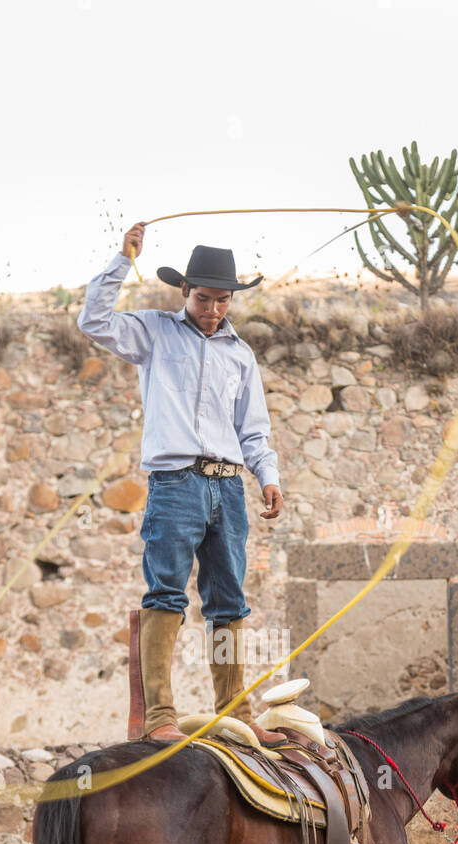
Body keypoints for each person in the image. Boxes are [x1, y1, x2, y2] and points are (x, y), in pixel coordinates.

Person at [77, 220, 286, 744]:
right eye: (202, 298)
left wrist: (268, 478)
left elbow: (253, 429)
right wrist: (122, 260)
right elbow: (93, 320)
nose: (212, 309)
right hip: (175, 484)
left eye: (221, 301)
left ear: (232, 299)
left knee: (229, 601)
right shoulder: (152, 332)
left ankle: (234, 710)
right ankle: (161, 717)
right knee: (166, 593)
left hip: (228, 487)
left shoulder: (241, 356)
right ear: (184, 292)